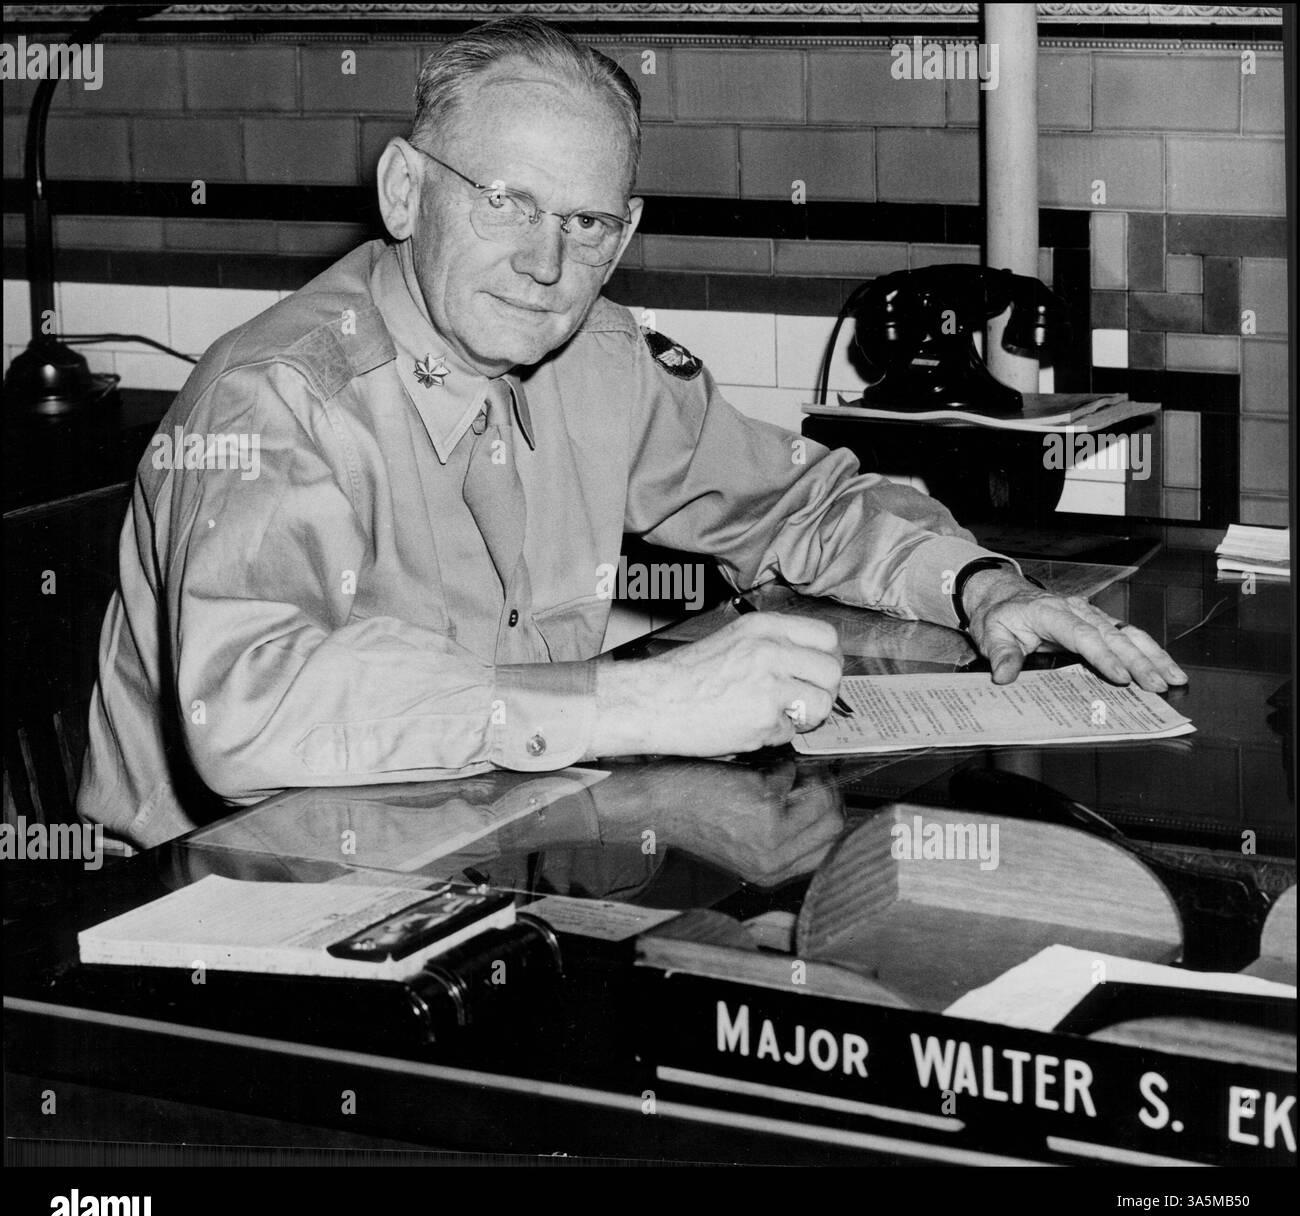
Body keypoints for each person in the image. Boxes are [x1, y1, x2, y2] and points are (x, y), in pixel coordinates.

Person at [78, 16, 1185, 850]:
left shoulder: (597, 361)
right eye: (505, 201)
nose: (547, 261)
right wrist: (646, 698)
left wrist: (978, 586)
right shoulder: (276, 399)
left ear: (627, 234)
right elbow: (253, 707)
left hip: (479, 860)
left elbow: (803, 503)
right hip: (216, 913)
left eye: (587, 221)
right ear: (406, 191)